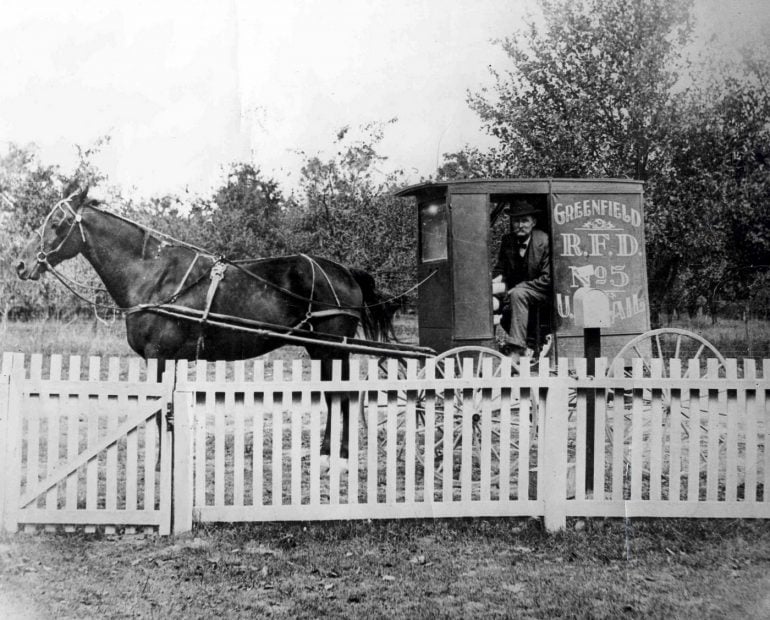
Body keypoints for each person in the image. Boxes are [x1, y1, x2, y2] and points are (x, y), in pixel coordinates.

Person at [492, 199, 551, 360]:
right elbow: (500, 269)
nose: (520, 225)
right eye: (516, 221)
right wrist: (491, 282)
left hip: (542, 293)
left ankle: (516, 349)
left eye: (525, 220)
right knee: (495, 303)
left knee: (518, 294)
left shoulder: (544, 241)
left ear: (533, 222)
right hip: (515, 294)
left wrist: (521, 287)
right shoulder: (508, 241)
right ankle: (490, 345)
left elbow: (548, 279)